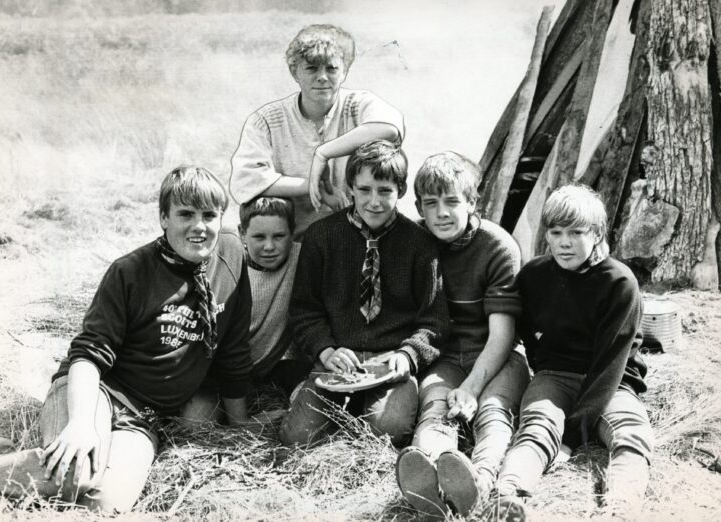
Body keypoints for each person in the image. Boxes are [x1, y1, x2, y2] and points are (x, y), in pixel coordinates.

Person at [0, 166, 253, 513]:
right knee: (75, 473)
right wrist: (81, 425)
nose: (199, 227)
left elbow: (233, 349)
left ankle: (11, 460)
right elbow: (88, 355)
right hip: (94, 392)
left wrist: (241, 425)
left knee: (106, 503)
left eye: (209, 215)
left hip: (144, 417)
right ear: (163, 218)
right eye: (185, 214)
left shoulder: (230, 254)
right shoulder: (131, 272)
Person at [488, 184, 654, 522]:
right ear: (546, 235)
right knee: (536, 427)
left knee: (632, 435)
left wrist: (572, 433)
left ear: (596, 233)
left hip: (613, 381)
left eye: (577, 232)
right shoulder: (534, 275)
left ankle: (620, 509)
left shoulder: (619, 283)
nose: (565, 242)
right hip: (555, 375)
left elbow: (610, 364)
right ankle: (507, 496)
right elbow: (519, 331)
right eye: (556, 231)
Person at [279, 140, 448, 447]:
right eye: (365, 189)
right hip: (337, 362)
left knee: (388, 431)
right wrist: (326, 349)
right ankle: (314, 396)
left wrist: (408, 355)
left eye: (385, 191)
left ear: (401, 191)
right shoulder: (321, 237)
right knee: (298, 436)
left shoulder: (420, 244)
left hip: (391, 363)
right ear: (351, 188)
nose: (374, 202)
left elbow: (434, 321)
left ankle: (381, 406)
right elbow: (304, 311)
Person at [396, 152, 530, 518]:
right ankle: (430, 477)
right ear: (420, 207)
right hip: (442, 355)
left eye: (452, 201)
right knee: (436, 405)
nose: (442, 213)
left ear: (472, 203)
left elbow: (502, 335)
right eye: (431, 203)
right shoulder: (415, 242)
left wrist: (471, 388)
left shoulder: (497, 247)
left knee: (492, 411)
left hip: (496, 354)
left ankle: (481, 480)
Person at [230, 23, 405, 239]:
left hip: (358, 238)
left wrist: (323, 153)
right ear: (295, 72)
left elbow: (389, 128)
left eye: (331, 68)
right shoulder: (266, 120)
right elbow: (244, 182)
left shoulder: (357, 105)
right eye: (311, 68)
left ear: (345, 71)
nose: (322, 77)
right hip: (293, 245)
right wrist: (315, 187)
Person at [238, 196, 308, 394]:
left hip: (266, 368)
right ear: (242, 233)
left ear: (292, 233)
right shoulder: (232, 267)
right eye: (259, 237)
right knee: (199, 418)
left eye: (279, 236)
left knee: (308, 381)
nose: (269, 247)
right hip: (225, 370)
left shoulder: (301, 257)